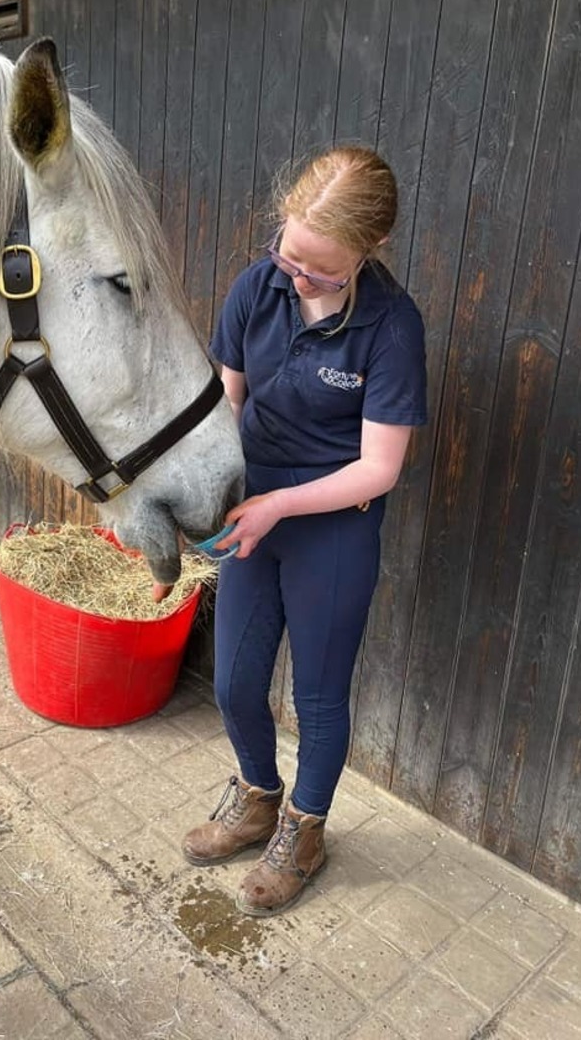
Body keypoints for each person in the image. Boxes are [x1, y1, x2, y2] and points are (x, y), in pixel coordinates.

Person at [180, 145, 428, 917]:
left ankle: (304, 831)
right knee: (232, 681)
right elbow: (227, 400)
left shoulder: (391, 326)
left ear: (369, 250)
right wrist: (211, 494)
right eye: (290, 256)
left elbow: (379, 466)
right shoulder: (259, 286)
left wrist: (281, 504)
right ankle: (257, 795)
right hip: (252, 516)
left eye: (321, 270)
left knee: (319, 698)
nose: (299, 278)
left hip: (331, 531)